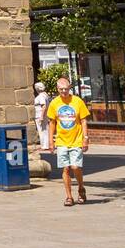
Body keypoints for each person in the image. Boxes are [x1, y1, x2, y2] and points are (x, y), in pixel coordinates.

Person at [43, 77, 91, 206]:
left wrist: (85, 139)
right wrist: (51, 142)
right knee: (65, 169)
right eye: (61, 89)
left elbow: (83, 121)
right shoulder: (54, 103)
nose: (64, 91)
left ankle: (81, 188)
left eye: (66, 89)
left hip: (76, 139)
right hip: (61, 141)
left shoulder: (77, 101)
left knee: (75, 167)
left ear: (70, 88)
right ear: (57, 89)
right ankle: (69, 197)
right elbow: (52, 122)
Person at [33, 81, 50, 151]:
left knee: (42, 131)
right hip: (44, 115)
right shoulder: (45, 95)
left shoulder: (41, 96)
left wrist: (41, 116)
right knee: (45, 130)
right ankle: (46, 145)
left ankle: (44, 145)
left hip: (40, 115)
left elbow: (44, 106)